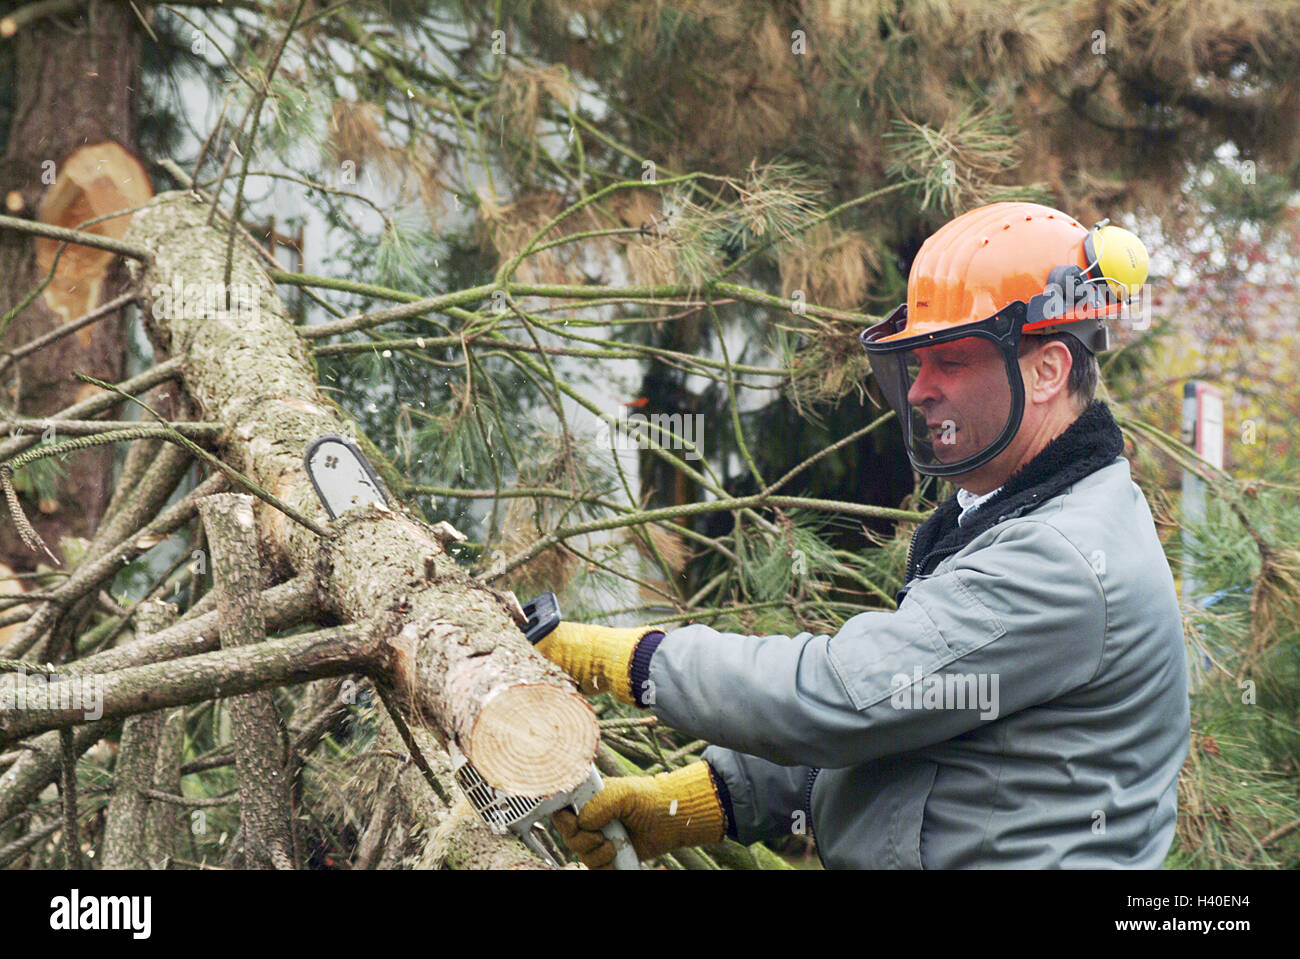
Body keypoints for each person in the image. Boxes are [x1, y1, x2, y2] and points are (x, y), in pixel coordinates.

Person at [536, 201, 1190, 869]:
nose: (919, 391)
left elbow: (842, 696)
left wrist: (623, 659)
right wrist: (700, 799)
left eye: (952, 360)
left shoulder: (1061, 557)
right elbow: (905, 721)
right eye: (918, 362)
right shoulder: (1005, 513)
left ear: (1048, 370)